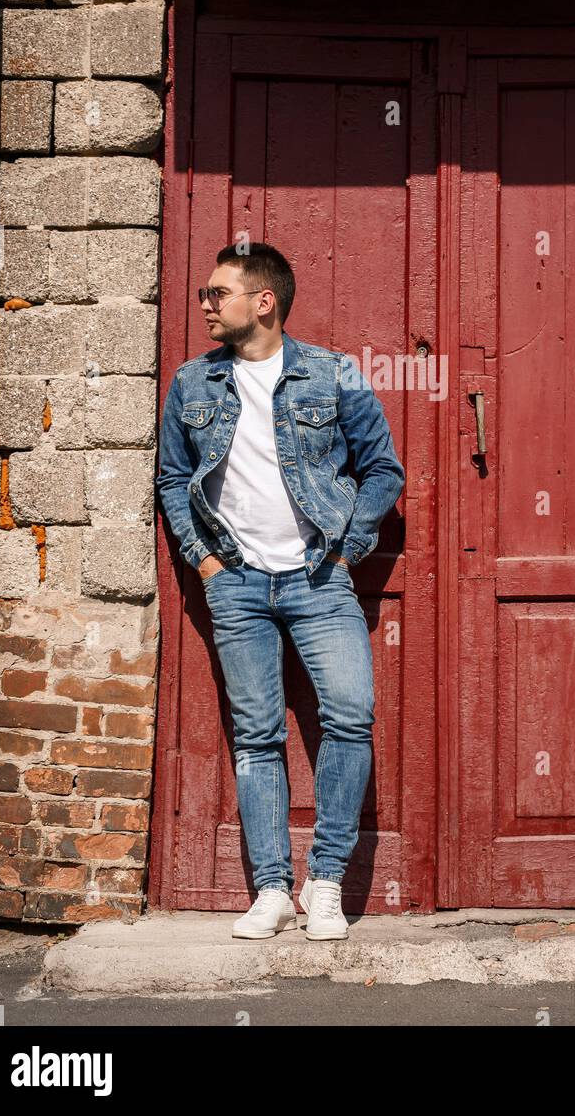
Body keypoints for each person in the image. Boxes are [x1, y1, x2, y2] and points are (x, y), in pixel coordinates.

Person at [155, 242, 405, 940]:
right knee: (257, 734)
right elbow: (173, 480)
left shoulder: (334, 375)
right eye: (205, 293)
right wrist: (203, 561)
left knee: (350, 715)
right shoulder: (192, 383)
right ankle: (270, 888)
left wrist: (346, 548)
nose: (206, 303)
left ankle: (324, 882)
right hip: (234, 583)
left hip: (318, 578)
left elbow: (384, 470)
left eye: (218, 293)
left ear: (263, 301)